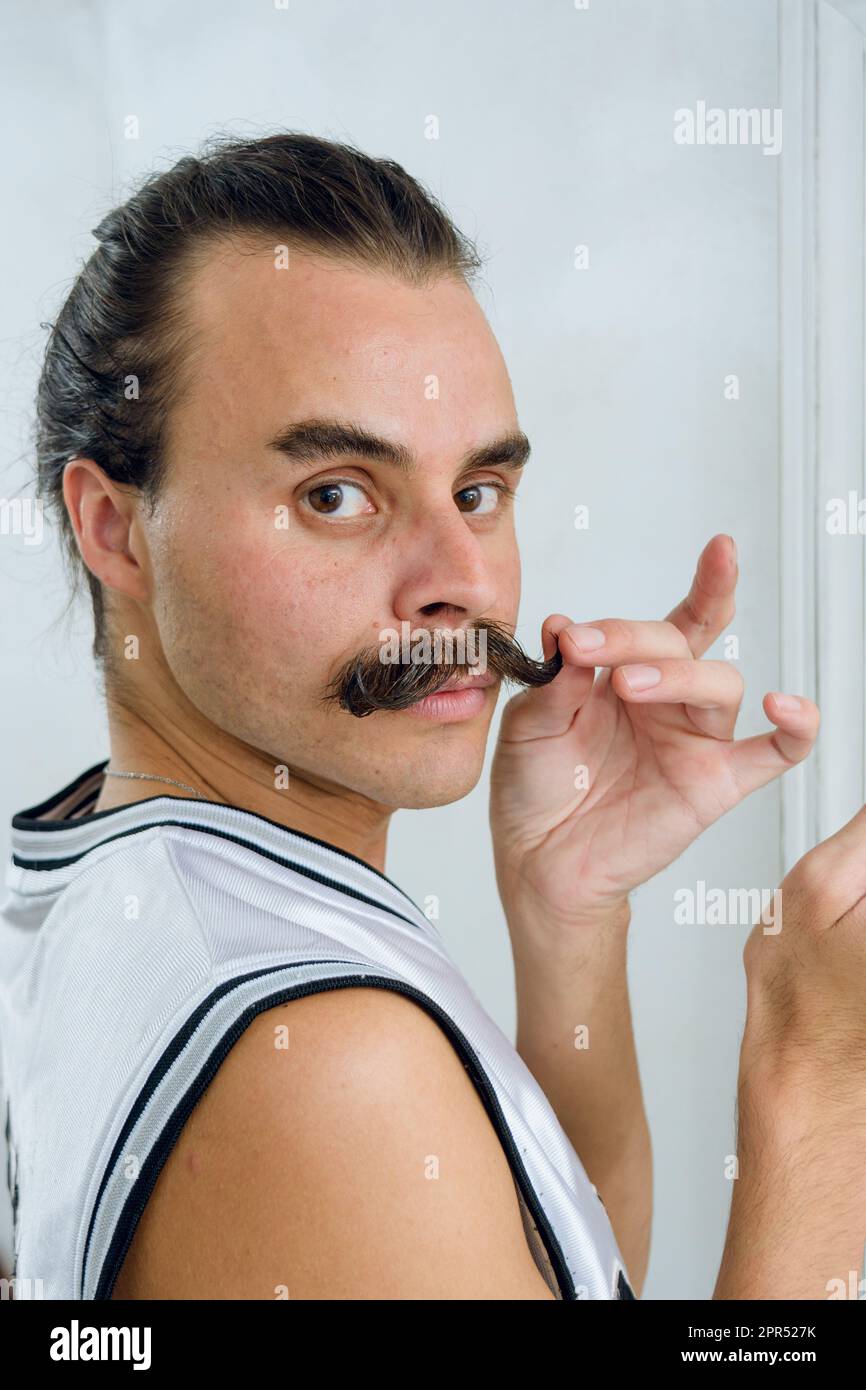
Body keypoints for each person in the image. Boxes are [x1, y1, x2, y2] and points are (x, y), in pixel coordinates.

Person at [0, 131, 860, 1303]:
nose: (462, 575)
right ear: (114, 528)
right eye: (337, 494)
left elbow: (532, 1261)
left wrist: (566, 916)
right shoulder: (320, 1064)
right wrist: (815, 1090)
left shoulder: (112, 872)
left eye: (477, 491)